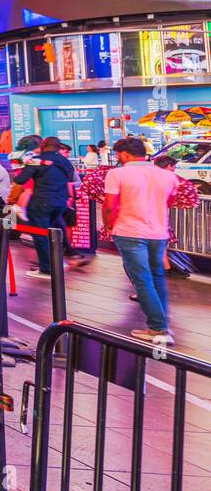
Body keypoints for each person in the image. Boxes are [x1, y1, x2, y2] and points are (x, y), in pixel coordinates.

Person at [103, 138, 181, 343]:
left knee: (142, 280)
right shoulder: (168, 176)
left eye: (119, 154)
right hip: (158, 233)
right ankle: (162, 327)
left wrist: (109, 226)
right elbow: (168, 202)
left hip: (129, 232)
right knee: (157, 278)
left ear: (126, 154)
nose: (118, 158)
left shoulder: (117, 174)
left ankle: (158, 329)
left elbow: (110, 206)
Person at [7, 136, 78, 280]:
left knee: (40, 235)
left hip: (41, 202)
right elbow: (71, 178)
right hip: (60, 202)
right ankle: (60, 261)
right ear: (58, 147)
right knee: (55, 231)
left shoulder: (36, 160)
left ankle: (47, 269)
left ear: (43, 145)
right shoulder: (65, 161)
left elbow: (20, 179)